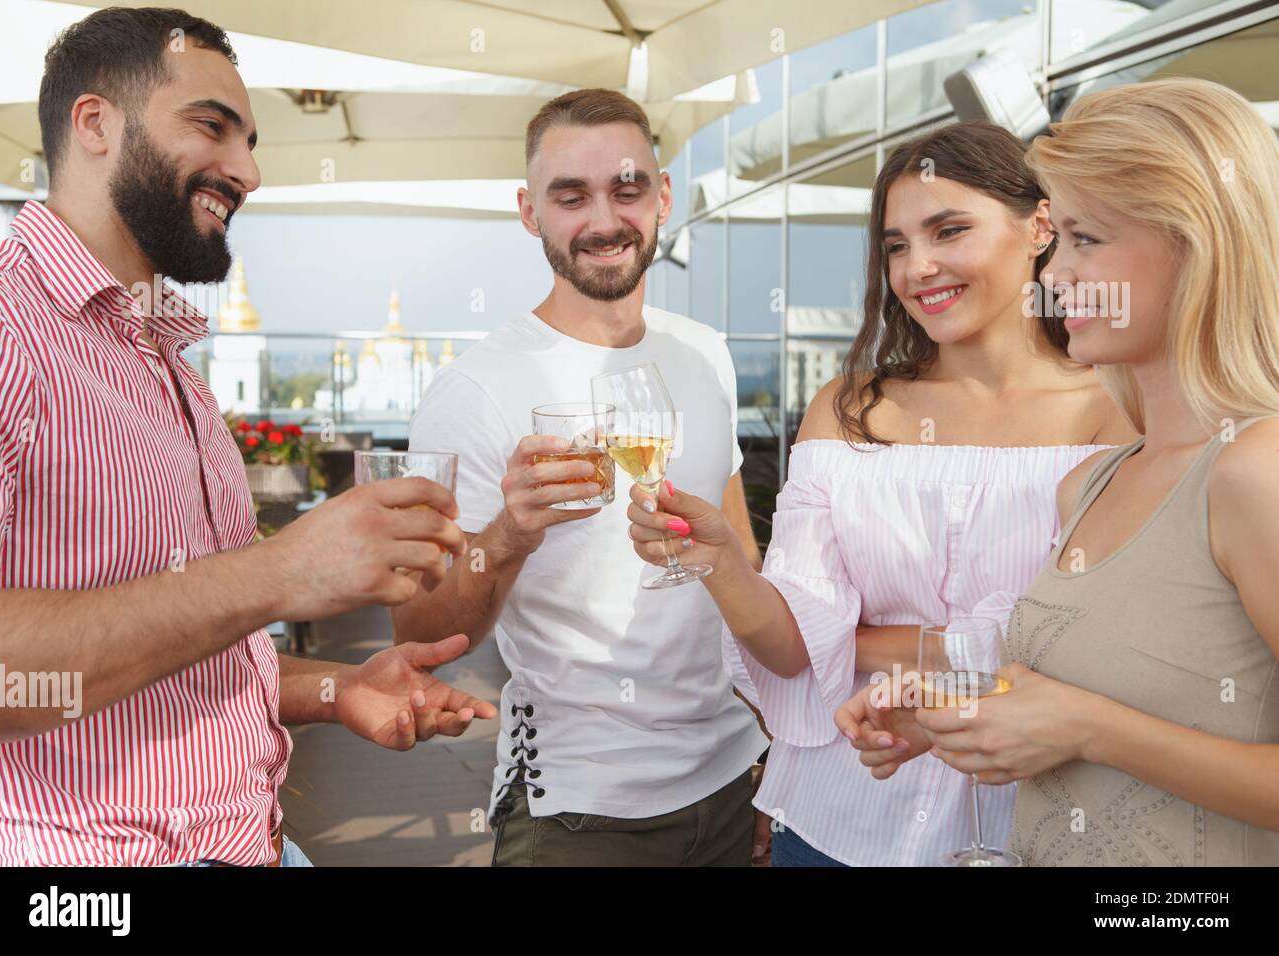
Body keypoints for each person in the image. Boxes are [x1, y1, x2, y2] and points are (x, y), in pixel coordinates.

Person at [0, 6, 495, 868]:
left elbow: (183, 647)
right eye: (210, 127)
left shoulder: (164, 357)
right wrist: (280, 570)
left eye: (250, 141)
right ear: (95, 123)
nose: (248, 170)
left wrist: (335, 687)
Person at [628, 122, 1135, 865]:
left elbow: (1064, 642)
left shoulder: (1115, 411)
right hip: (834, 820)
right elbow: (795, 647)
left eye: (948, 230)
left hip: (1027, 825)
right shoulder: (849, 407)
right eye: (895, 246)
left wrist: (864, 645)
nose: (918, 267)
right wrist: (723, 566)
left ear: (1039, 227)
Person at [847, 78, 1279, 866]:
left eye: (1084, 238)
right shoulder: (1092, 482)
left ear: (1195, 239)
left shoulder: (1256, 471)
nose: (1051, 276)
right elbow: (1080, 694)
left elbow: (1092, 718)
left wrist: (1090, 729)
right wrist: (955, 713)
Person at [395, 88, 770, 866]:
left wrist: (772, 747)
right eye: (572, 197)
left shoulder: (706, 352)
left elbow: (744, 563)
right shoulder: (474, 390)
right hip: (579, 808)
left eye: (627, 189)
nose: (604, 220)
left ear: (661, 198)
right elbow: (421, 634)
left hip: (733, 778)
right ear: (531, 212)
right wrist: (507, 536)